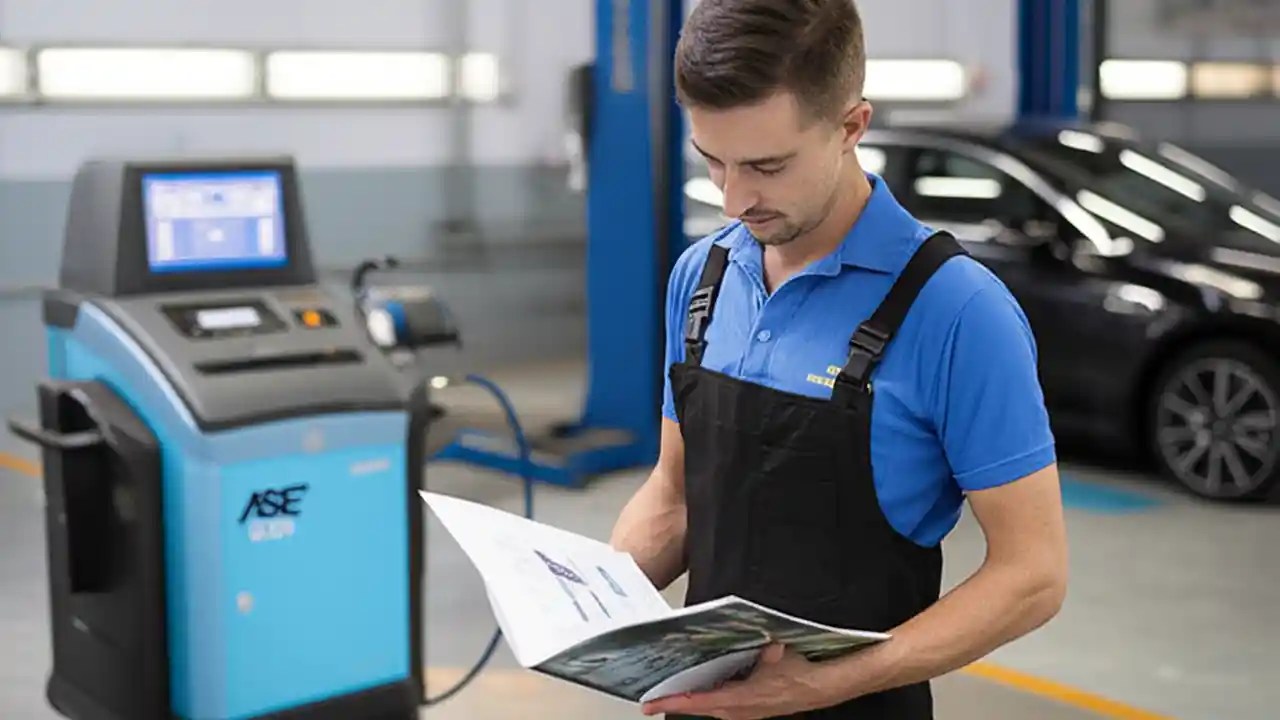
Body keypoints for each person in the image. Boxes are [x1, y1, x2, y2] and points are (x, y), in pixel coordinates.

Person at [608, 1, 1069, 718]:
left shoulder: (959, 312)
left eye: (766, 165)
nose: (733, 199)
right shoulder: (702, 279)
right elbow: (675, 495)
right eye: (713, 160)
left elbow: (1032, 575)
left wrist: (825, 684)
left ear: (852, 126)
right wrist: (597, 605)